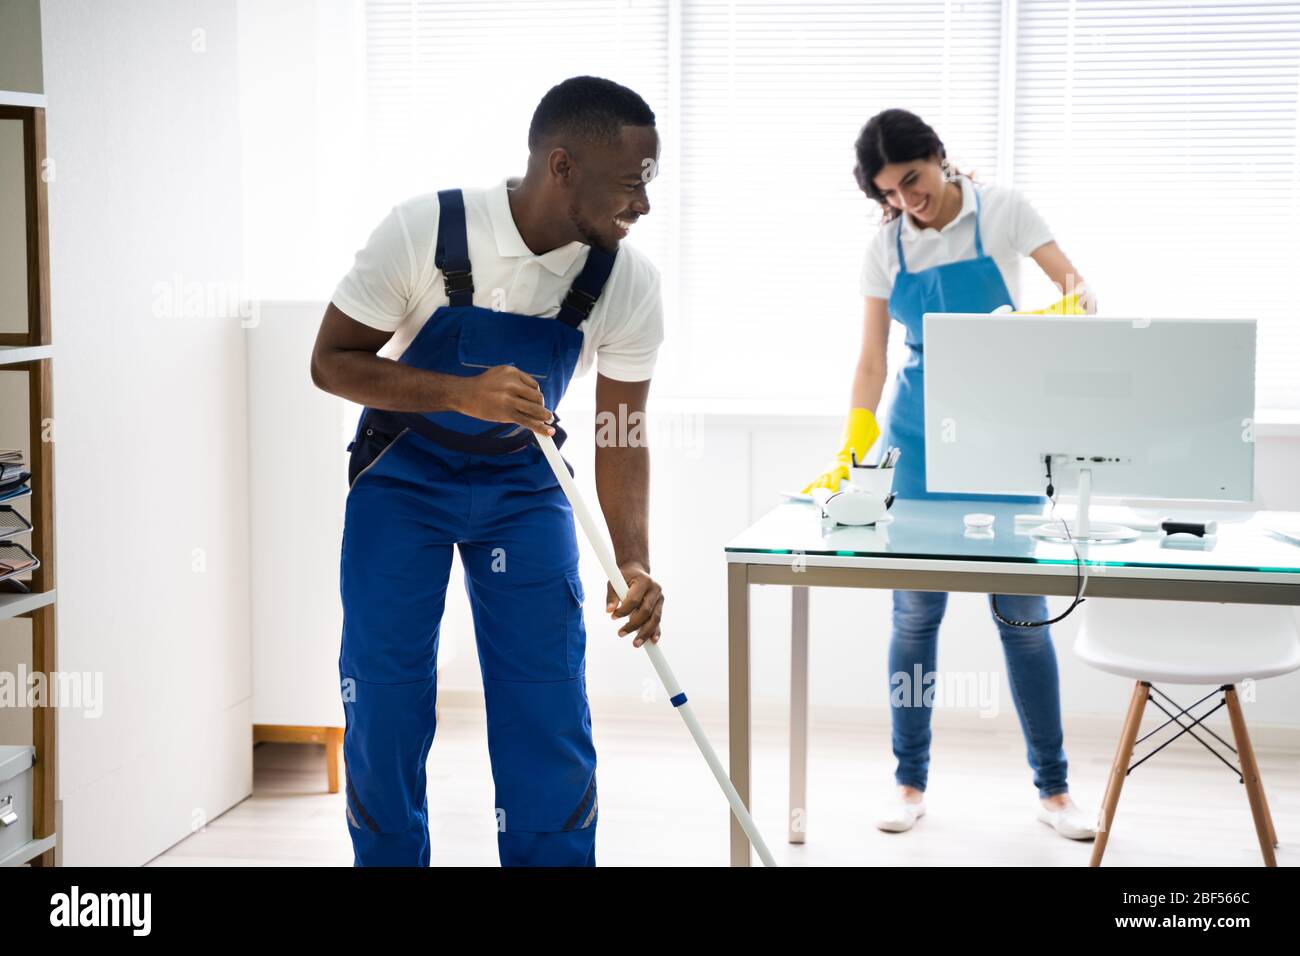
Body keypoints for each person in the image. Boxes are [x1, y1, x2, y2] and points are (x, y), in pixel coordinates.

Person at [311, 76, 666, 866]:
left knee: (546, 701)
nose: (644, 205)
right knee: (387, 699)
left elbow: (620, 429)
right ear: (562, 165)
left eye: (652, 182)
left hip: (526, 486)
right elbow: (331, 363)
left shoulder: (626, 280)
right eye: (632, 183)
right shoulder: (425, 231)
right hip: (401, 480)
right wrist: (456, 393)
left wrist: (632, 556)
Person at [803, 108, 1097, 840]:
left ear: (940, 156)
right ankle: (908, 780)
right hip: (918, 443)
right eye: (890, 193)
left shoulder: (1005, 214)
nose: (908, 201)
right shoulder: (887, 248)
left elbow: (1083, 296)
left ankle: (1055, 791)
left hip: (1004, 436)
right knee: (913, 616)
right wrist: (853, 447)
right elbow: (872, 360)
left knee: (1023, 620)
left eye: (914, 180)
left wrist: (1032, 325)